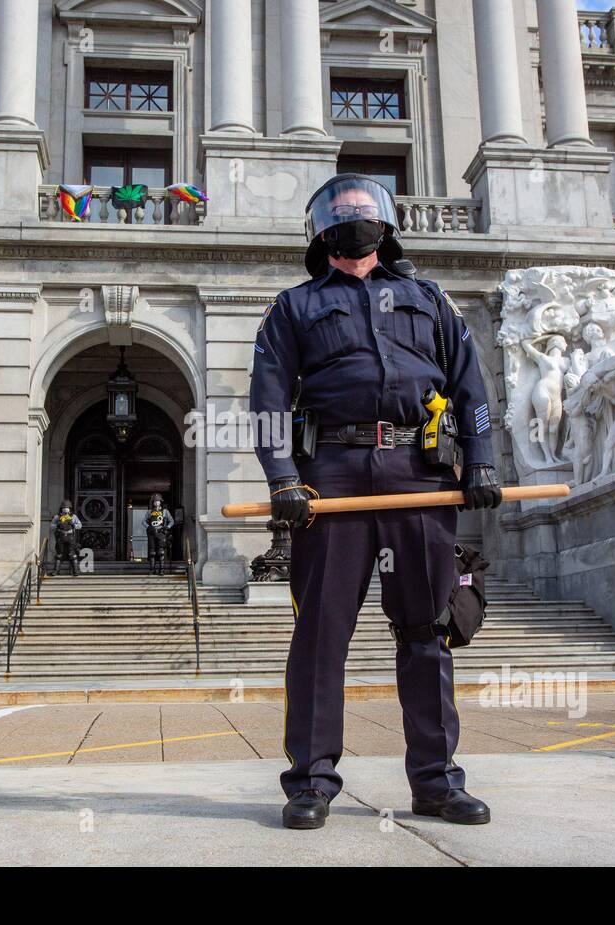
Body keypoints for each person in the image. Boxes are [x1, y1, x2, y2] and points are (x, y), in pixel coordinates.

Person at [250, 173, 502, 830]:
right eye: (340, 211)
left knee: (427, 631)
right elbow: (270, 401)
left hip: (419, 472)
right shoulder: (294, 307)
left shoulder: (429, 299)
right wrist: (282, 476)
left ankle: (438, 780)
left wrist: (481, 461)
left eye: (364, 209)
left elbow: (473, 395)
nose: (353, 218)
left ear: (385, 224)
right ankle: (310, 782)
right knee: (320, 632)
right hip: (331, 473)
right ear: (320, 231)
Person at [143, 493, 174, 575]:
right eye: (155, 501)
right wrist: (148, 527)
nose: (156, 503)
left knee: (161, 552)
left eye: (158, 501)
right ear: (153, 502)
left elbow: (172, 521)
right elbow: (143, 522)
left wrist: (167, 527)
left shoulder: (165, 512)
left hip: (161, 532)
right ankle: (152, 570)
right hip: (152, 533)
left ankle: (162, 570)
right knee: (152, 552)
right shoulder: (149, 512)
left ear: (160, 502)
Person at [51, 499, 82, 576]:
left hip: (70, 536)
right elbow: (51, 526)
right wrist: (57, 524)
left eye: (67, 507)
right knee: (59, 554)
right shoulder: (57, 517)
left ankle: (75, 571)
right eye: (64, 507)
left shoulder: (73, 517)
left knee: (72, 554)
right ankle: (56, 571)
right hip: (61, 537)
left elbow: (80, 525)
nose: (66, 508)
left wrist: (73, 524)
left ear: (70, 508)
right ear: (61, 508)